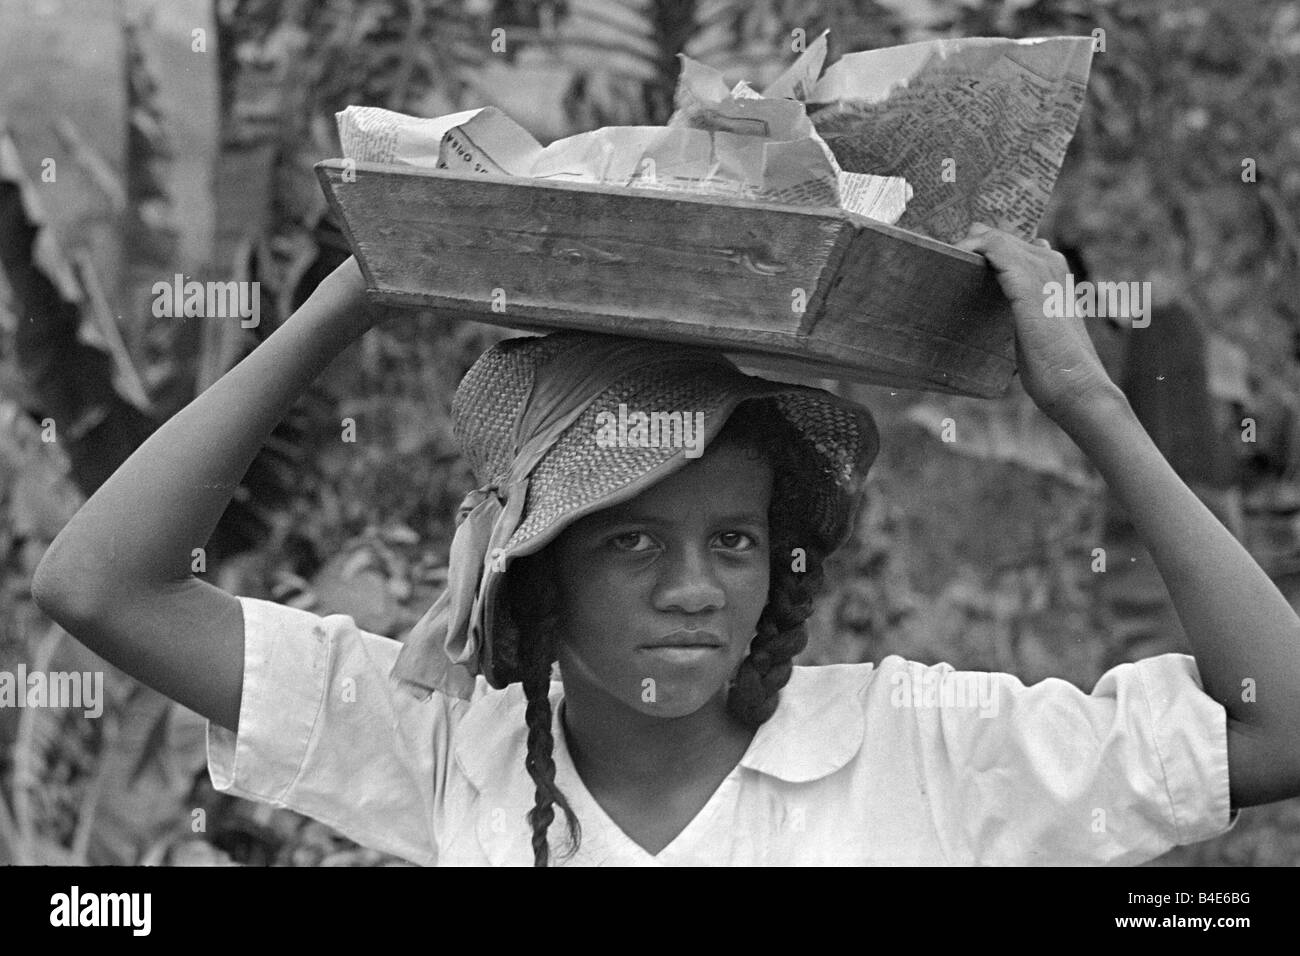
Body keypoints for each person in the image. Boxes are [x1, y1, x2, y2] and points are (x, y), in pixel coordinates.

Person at [31, 224, 1300, 866]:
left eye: (736, 540)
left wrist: (1090, 402)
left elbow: (1279, 728)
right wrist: (350, 298)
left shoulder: (928, 746)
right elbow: (101, 584)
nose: (698, 589)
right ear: (536, 572)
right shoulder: (446, 742)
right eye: (632, 540)